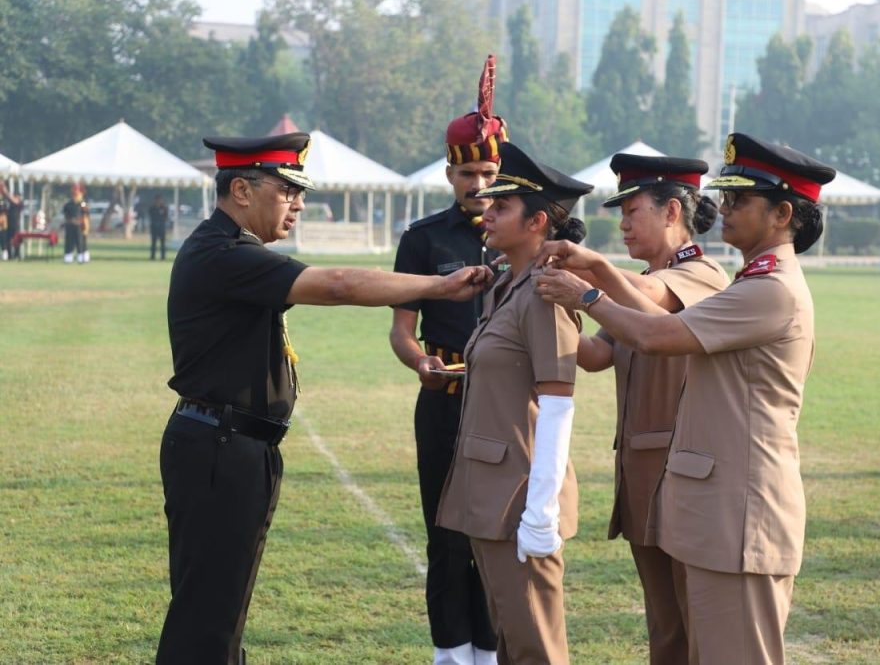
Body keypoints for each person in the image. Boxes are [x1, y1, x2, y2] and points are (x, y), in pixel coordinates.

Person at [157, 132, 492, 665]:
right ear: (241, 190)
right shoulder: (224, 254)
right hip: (221, 447)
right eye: (287, 191)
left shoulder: (232, 250)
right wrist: (439, 287)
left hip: (232, 445)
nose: (297, 204)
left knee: (222, 609)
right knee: (208, 615)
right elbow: (337, 284)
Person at [537, 132, 835, 664]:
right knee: (685, 642)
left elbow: (656, 332)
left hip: (741, 509)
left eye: (740, 200)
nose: (725, 209)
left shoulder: (770, 289)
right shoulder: (756, 283)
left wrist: (587, 289)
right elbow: (619, 341)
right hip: (718, 506)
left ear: (783, 213)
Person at [533, 153, 729, 664]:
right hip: (643, 472)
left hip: (685, 474)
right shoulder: (632, 282)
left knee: (698, 623)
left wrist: (591, 273)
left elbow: (651, 298)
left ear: (671, 213)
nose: (621, 224)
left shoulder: (702, 274)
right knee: (666, 627)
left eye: (631, 211)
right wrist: (537, 307)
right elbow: (598, 354)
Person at [436, 142, 592, 665]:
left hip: (521, 498)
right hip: (491, 495)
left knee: (535, 649)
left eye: (502, 206)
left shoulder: (545, 295)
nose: (487, 209)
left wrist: (542, 510)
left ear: (538, 221)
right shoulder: (507, 286)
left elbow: (557, 403)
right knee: (510, 643)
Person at [389, 55, 505, 665]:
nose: (479, 185)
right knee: (444, 534)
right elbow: (401, 330)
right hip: (443, 396)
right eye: (469, 174)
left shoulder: (521, 234)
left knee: (493, 534)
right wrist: (420, 365)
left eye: (489, 171)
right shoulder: (424, 238)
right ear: (449, 173)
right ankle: (450, 654)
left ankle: (487, 653)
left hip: (503, 403)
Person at [62, 183, 88, 263]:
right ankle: (68, 258)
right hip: (70, 226)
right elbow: (66, 215)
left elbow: (86, 212)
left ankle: (81, 258)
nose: (75, 195)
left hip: (79, 226)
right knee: (69, 242)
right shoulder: (68, 204)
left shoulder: (82, 203)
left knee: (80, 242)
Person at [149, 194, 169, 261]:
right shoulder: (152, 208)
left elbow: (166, 217)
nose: (158, 201)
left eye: (159, 200)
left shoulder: (164, 208)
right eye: (157, 200)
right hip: (154, 227)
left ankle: (163, 257)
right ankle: (152, 256)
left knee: (162, 243)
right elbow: (151, 216)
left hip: (161, 227)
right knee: (153, 243)